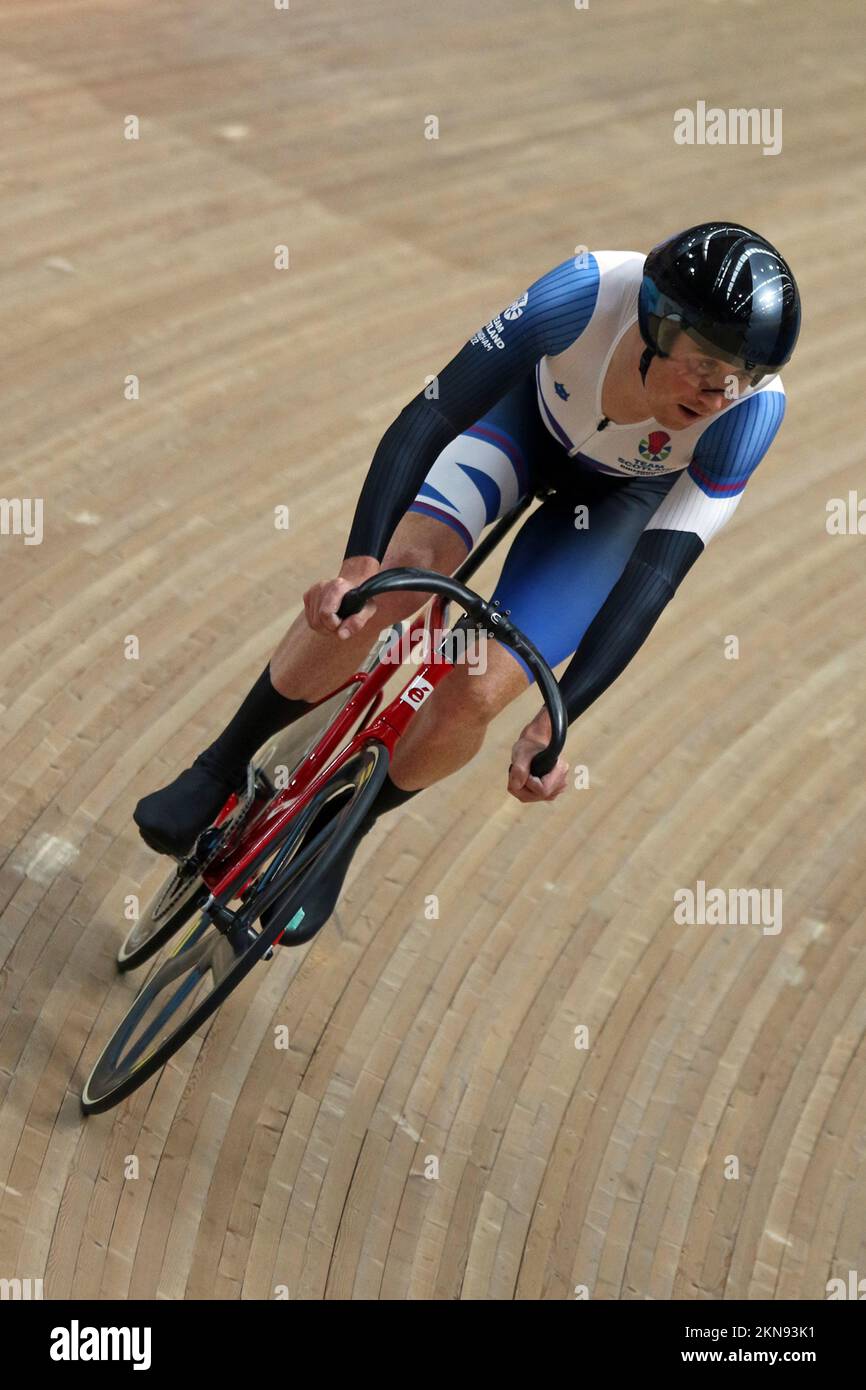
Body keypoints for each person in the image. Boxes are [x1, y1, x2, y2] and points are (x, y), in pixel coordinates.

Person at [134, 221, 801, 936]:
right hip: (522, 427)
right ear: (655, 322)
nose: (720, 391)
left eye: (743, 376)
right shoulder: (582, 294)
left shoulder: (749, 416)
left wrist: (558, 718)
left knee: (480, 686)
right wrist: (360, 562)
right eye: (706, 363)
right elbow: (430, 416)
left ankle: (337, 834)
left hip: (615, 505)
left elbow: (655, 575)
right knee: (395, 583)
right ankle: (220, 764)